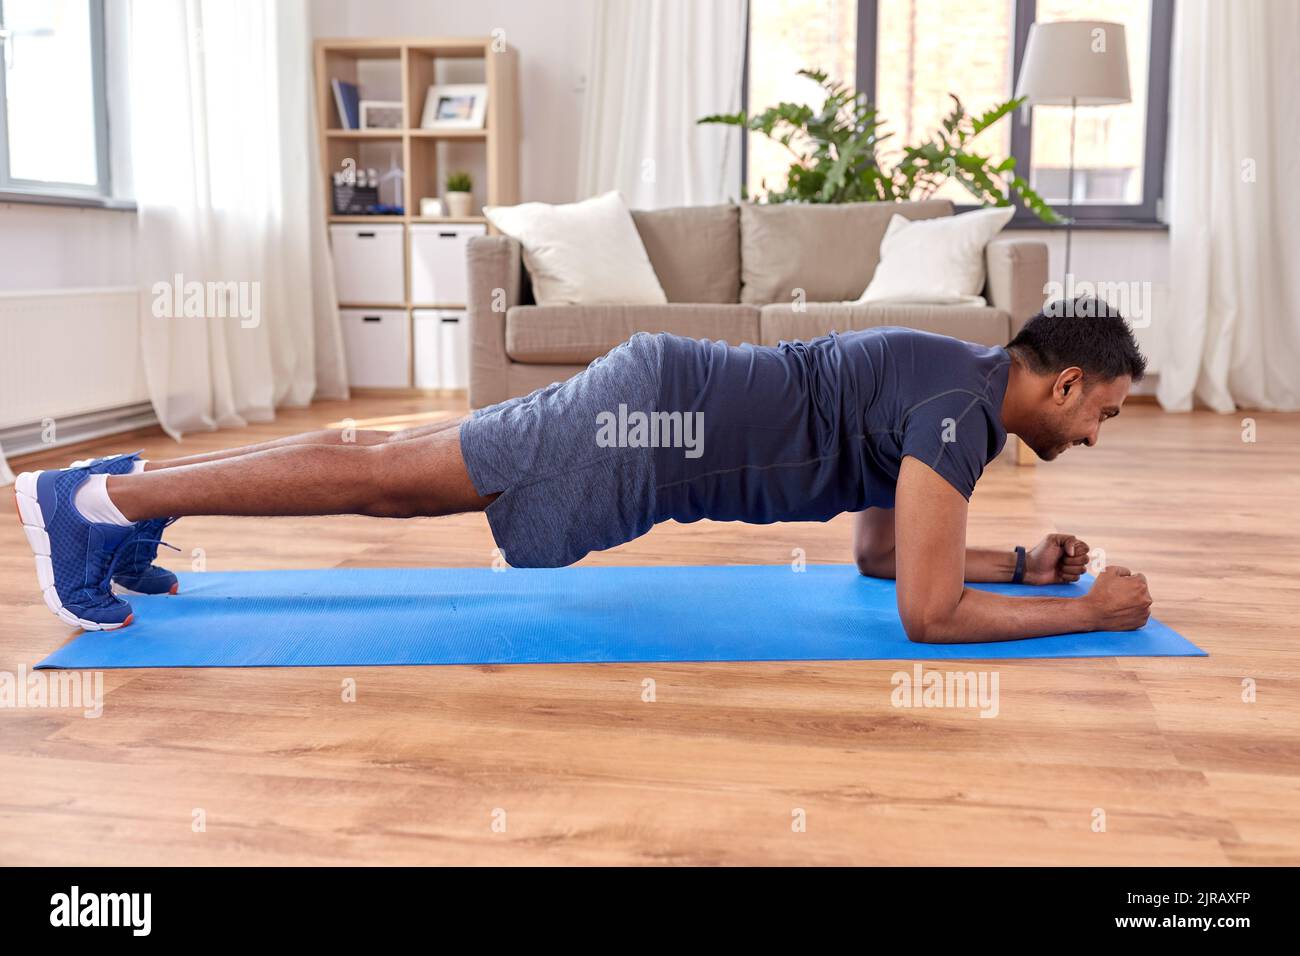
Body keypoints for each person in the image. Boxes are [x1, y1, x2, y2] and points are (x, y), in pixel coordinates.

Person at [15, 298, 1153, 642]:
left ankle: (118, 499)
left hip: (659, 403)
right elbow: (925, 609)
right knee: (385, 474)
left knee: (386, 468)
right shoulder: (959, 414)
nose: (1096, 436)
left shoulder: (951, 387)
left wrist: (1021, 561)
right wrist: (1091, 612)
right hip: (649, 422)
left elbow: (878, 552)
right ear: (1060, 384)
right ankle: (89, 498)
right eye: (1100, 412)